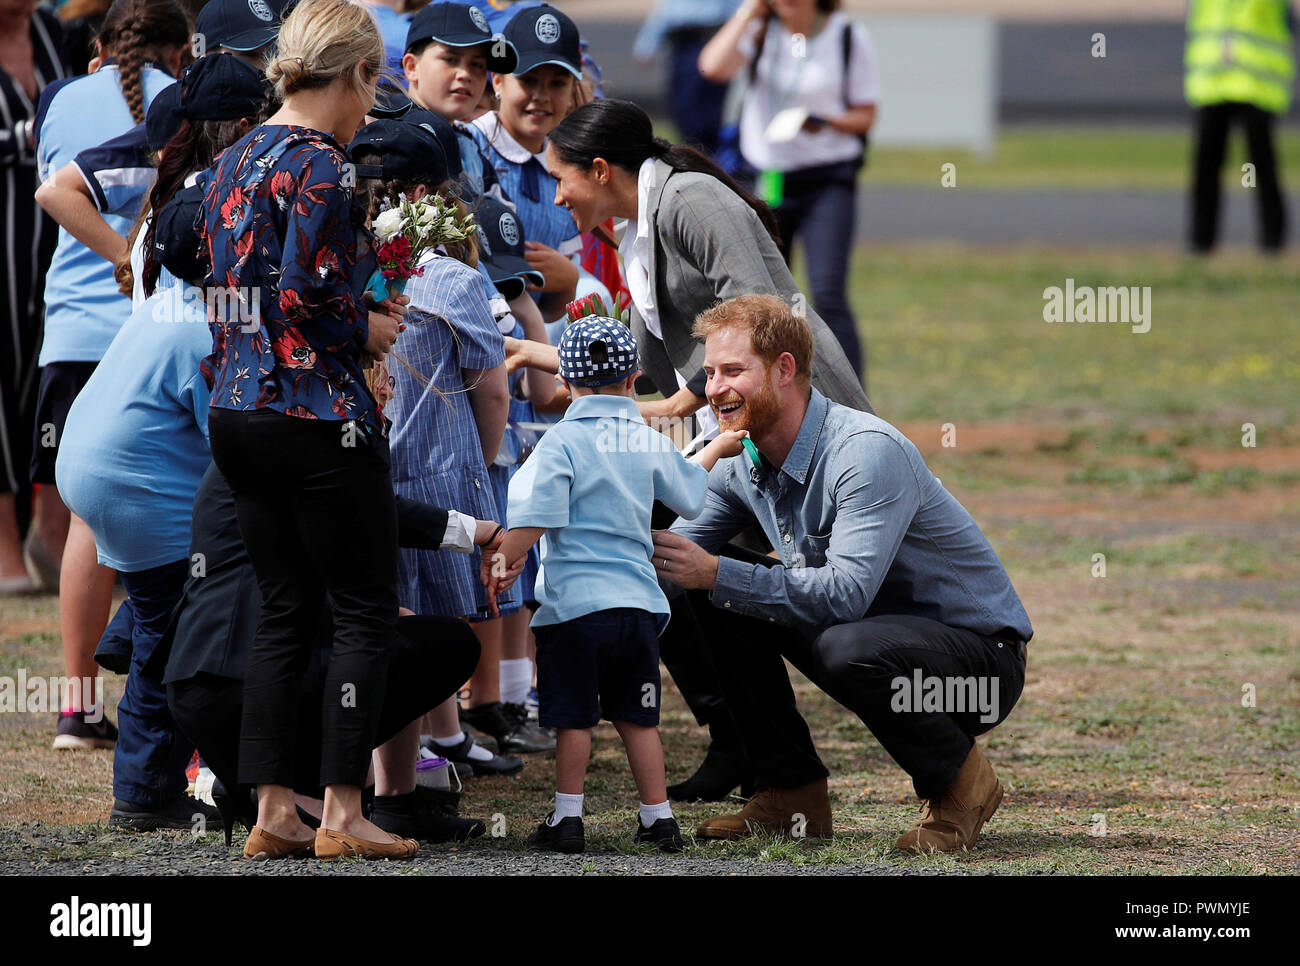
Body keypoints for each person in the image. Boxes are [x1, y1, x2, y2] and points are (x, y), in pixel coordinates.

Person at [650, 294, 1032, 852]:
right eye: (709, 372)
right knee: (707, 590)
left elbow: (846, 596)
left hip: (979, 667)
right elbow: (675, 556)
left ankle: (959, 785)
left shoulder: (865, 451)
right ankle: (790, 790)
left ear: (784, 370)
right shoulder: (738, 455)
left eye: (733, 371)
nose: (712, 389)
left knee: (830, 638)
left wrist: (715, 574)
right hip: (869, 639)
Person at [198, 0, 414, 862]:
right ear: (358, 72)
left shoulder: (235, 157)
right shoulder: (322, 163)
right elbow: (304, 294)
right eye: (375, 85)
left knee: (282, 612)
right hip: (317, 414)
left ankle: (271, 810)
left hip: (235, 410)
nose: (372, 107)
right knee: (363, 613)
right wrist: (362, 328)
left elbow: (224, 289)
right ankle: (344, 811)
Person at [53, 52, 270, 832]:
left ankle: (131, 638)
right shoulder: (210, 325)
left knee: (161, 617)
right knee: (177, 642)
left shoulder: (173, 285)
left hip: (96, 463)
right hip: (132, 480)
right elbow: (233, 442)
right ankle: (146, 794)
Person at [484, 316, 750, 854]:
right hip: (637, 610)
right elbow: (688, 492)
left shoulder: (560, 443)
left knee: (573, 718)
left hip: (574, 611)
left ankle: (568, 818)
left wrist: (506, 560)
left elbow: (535, 514)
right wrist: (718, 449)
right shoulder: (643, 439)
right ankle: (659, 817)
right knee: (638, 717)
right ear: (633, 380)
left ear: (566, 383)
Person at [32, 0, 189, 751]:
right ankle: (163, 687)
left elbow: (48, 186)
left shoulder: (61, 97)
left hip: (69, 331)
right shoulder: (183, 101)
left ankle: (76, 706)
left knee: (85, 523)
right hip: (148, 335)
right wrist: (128, 260)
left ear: (99, 48)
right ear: (182, 51)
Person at [699, 0, 879, 380]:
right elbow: (712, 67)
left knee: (828, 293)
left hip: (826, 180)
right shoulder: (761, 31)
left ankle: (854, 403)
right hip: (765, 180)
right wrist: (748, 12)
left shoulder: (846, 36)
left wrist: (825, 121)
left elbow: (866, 113)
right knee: (764, 297)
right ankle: (772, 394)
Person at [0, 0, 71, 595]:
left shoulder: (54, 31)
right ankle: (2, 544)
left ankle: (51, 527)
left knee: (52, 375)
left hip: (54, 239)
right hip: (1, 239)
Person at [1184, 0, 1292, 252]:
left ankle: (1272, 240)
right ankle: (1201, 242)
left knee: (1261, 163)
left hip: (1256, 80)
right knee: (1207, 164)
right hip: (1214, 79)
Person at [632, 0, 739, 156]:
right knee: (684, 107)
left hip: (716, 38)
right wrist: (647, 43)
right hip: (683, 44)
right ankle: (693, 154)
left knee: (715, 112)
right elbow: (666, 8)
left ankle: (717, 158)